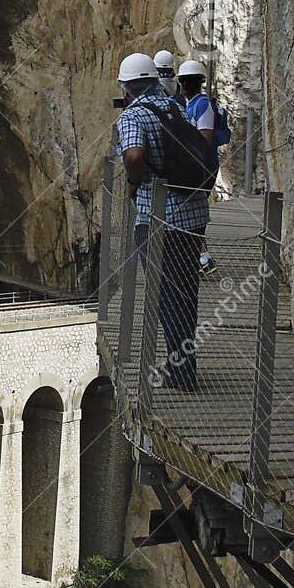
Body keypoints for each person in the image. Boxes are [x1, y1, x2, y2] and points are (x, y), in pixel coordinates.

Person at [115, 52, 207, 392]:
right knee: (186, 292)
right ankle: (185, 366)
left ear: (125, 87)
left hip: (158, 220)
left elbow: (134, 155)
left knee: (164, 293)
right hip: (194, 214)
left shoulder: (133, 116)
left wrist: (134, 181)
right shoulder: (177, 107)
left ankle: (180, 374)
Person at [176, 59, 220, 277]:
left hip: (202, 168)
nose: (186, 85)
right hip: (197, 167)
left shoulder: (202, 105)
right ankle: (202, 257)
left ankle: (203, 258)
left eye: (189, 81)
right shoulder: (191, 104)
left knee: (193, 211)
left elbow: (205, 138)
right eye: (185, 81)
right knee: (192, 211)